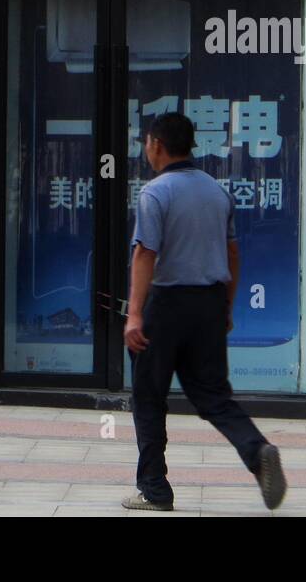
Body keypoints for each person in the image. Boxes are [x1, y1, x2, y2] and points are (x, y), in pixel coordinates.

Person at [122, 111, 287, 512]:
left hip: (166, 304)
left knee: (149, 396)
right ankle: (257, 450)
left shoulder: (155, 193)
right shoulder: (217, 192)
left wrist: (135, 314)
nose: (146, 149)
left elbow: (145, 254)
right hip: (210, 302)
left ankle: (154, 489)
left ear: (156, 145)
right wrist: (225, 307)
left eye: (146, 143)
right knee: (213, 396)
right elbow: (233, 254)